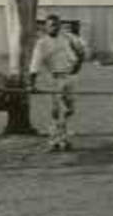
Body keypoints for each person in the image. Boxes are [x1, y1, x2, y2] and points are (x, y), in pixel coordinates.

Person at [29, 13, 86, 151]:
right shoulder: (42, 43)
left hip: (70, 77)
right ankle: (56, 141)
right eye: (51, 25)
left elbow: (81, 50)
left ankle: (63, 137)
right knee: (56, 110)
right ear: (46, 27)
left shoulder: (67, 37)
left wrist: (78, 66)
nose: (54, 28)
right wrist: (32, 84)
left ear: (60, 26)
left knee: (70, 110)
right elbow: (34, 65)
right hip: (54, 78)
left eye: (56, 25)